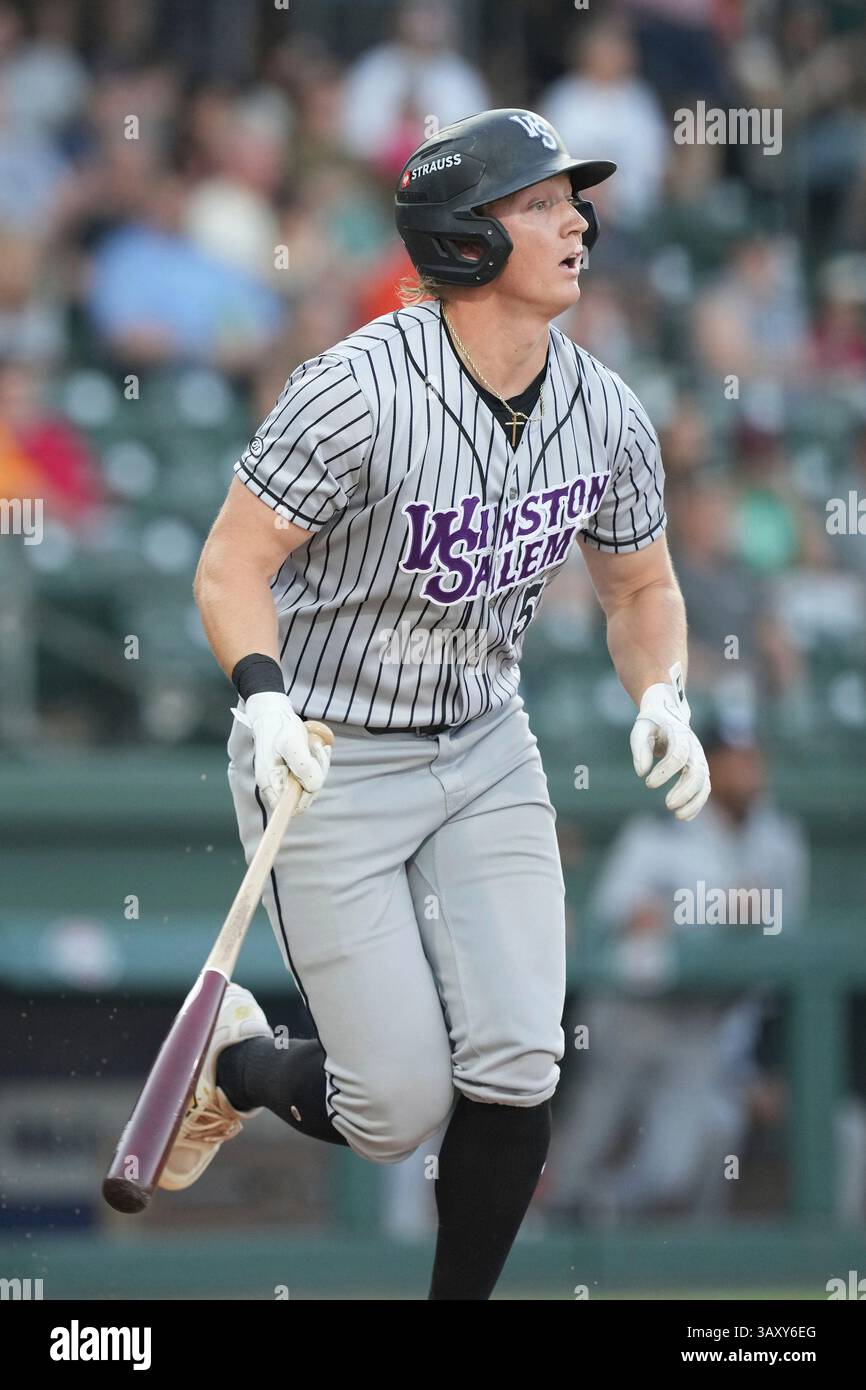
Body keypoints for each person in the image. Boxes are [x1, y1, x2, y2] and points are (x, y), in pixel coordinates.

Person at [164, 108, 710, 1301]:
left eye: (572, 197)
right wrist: (258, 698)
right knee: (392, 1109)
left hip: (481, 743)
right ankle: (243, 1067)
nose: (575, 220)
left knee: (519, 1063)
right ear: (464, 240)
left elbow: (639, 586)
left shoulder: (603, 409)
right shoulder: (356, 389)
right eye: (536, 203)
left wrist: (661, 689)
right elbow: (228, 564)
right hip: (325, 749)